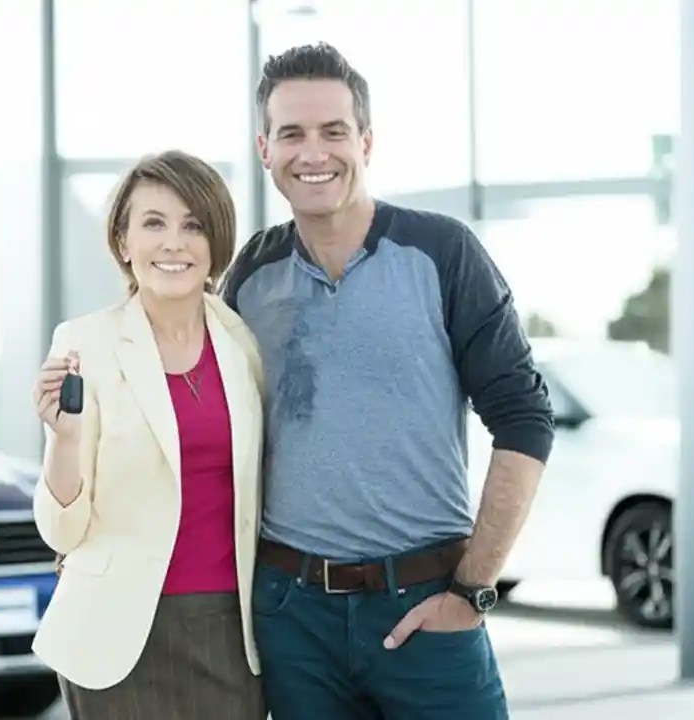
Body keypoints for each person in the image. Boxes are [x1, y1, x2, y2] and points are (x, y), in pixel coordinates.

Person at [220, 43, 555, 719]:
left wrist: (472, 590)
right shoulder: (250, 277)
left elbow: (523, 417)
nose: (313, 153)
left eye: (333, 131)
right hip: (292, 619)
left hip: (428, 606)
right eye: (292, 134)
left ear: (366, 141)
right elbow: (200, 428)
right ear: (265, 149)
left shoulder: (443, 252)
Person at [30, 150, 268, 719]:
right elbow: (62, 527)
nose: (174, 243)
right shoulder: (84, 341)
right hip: (115, 633)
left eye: (193, 225)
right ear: (123, 241)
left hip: (231, 630)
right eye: (154, 223)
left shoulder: (244, 343)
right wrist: (64, 440)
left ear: (216, 243)